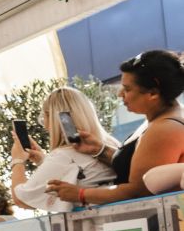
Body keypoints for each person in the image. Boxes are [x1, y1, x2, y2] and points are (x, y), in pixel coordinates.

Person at [48, 51, 184, 207]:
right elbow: (137, 166)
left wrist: (80, 194)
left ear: (153, 93)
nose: (120, 94)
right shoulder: (160, 120)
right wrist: (100, 150)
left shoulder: (164, 129)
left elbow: (138, 191)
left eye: (127, 89)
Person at [10, 88, 119, 213]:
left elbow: (22, 200)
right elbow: (80, 172)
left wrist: (17, 160)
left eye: (44, 118)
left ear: (52, 118)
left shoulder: (64, 155)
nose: (45, 126)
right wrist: (43, 161)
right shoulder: (111, 145)